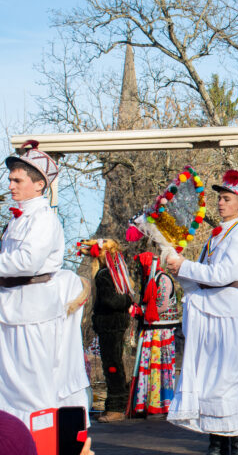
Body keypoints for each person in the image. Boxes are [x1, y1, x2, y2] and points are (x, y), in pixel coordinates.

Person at [164, 170, 238, 455]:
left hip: (230, 313)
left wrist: (185, 265)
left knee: (231, 377)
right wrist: (179, 270)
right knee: (212, 377)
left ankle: (237, 441)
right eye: (220, 198)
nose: (220, 203)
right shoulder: (215, 236)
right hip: (213, 311)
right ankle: (217, 439)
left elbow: (223, 274)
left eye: (227, 198)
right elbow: (202, 278)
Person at [0, 141, 90, 427]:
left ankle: (40, 439)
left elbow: (27, 261)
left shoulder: (43, 218)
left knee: (33, 383)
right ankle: (17, 437)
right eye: (11, 179)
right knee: (11, 386)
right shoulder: (19, 217)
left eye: (18, 179)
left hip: (33, 310)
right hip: (13, 305)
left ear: (39, 184)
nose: (11, 185)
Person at [77, 239, 134, 423]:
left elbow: (110, 300)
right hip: (114, 324)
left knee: (112, 366)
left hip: (110, 325)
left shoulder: (103, 275)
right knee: (113, 365)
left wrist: (126, 301)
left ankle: (117, 407)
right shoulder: (115, 274)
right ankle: (115, 404)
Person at [130, 252, 182, 416]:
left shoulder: (163, 279)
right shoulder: (149, 280)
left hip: (163, 332)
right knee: (149, 366)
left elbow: (162, 304)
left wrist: (141, 310)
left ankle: (162, 403)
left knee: (161, 367)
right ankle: (147, 402)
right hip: (150, 330)